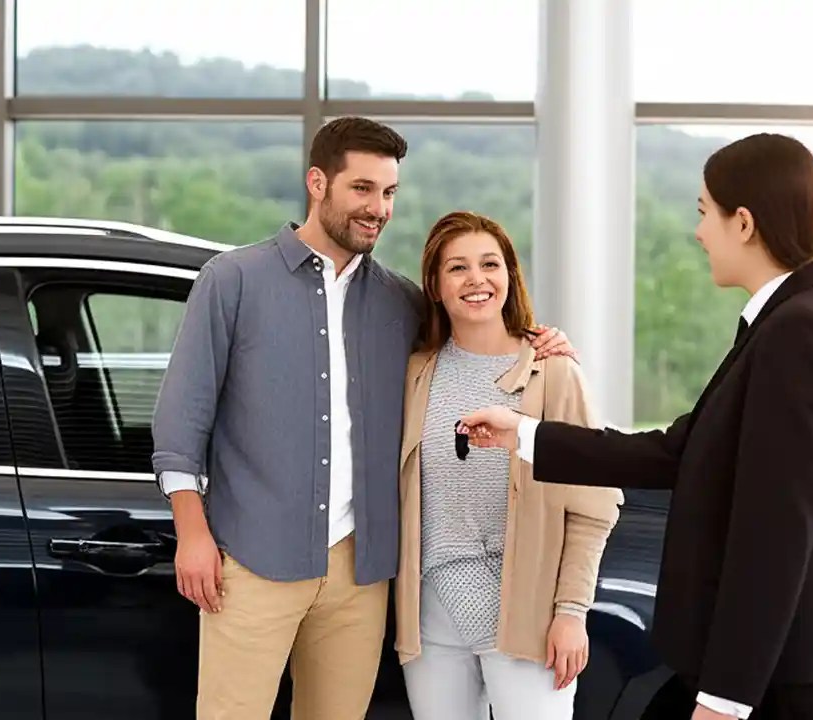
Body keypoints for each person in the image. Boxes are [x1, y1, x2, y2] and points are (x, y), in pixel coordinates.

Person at [150, 116, 574, 720]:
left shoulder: (401, 302)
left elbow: (472, 333)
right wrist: (192, 535)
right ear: (318, 183)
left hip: (361, 574)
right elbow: (179, 425)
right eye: (363, 189)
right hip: (251, 561)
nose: (379, 208)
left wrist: (539, 341)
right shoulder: (234, 281)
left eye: (390, 192)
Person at [460, 133, 813, 720]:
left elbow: (776, 532)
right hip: (774, 672)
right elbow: (677, 452)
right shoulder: (788, 323)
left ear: (745, 223)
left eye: (706, 213)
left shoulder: (799, 332)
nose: (700, 231)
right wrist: (524, 433)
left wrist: (725, 700)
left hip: (777, 681)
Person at [393, 211, 623, 719]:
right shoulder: (414, 374)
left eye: (489, 264)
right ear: (434, 285)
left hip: (529, 619)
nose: (476, 280)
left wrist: (570, 612)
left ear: (509, 276)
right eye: (457, 268)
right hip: (431, 622)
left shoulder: (554, 374)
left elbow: (593, 508)